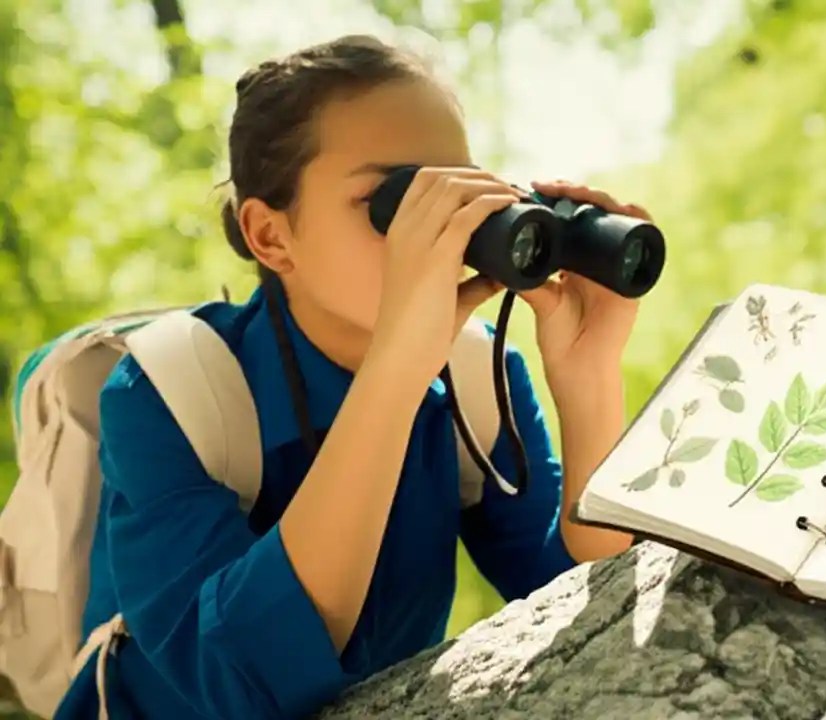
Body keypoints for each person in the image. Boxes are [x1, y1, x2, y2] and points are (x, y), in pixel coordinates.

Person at [54, 33, 640, 720]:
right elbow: (242, 679)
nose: (443, 229)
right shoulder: (167, 394)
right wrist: (396, 369)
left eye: (459, 192)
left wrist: (588, 374)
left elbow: (584, 591)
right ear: (271, 236)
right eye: (393, 203)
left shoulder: (476, 376)